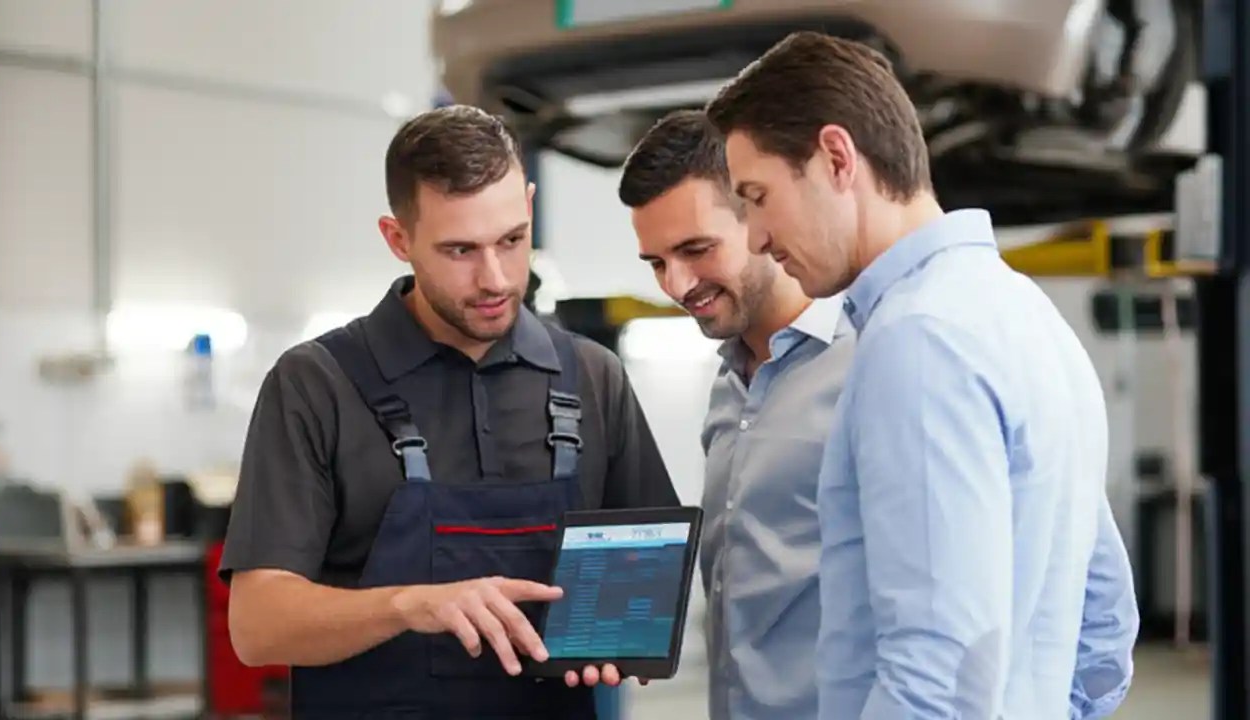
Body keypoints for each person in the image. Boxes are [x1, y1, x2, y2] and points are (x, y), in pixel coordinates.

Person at [705, 32, 1140, 719]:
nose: (755, 236)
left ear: (836, 157)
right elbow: (1104, 630)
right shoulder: (1025, 312)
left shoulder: (917, 341)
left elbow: (934, 674)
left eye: (757, 196)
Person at [220, 104, 679, 719]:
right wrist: (409, 605)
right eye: (460, 249)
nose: (495, 278)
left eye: (512, 240)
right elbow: (257, 627)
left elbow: (648, 574)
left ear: (530, 208)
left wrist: (622, 634)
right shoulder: (316, 386)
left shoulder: (594, 378)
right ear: (397, 238)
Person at [613, 109, 855, 719]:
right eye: (656, 262)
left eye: (696, 249)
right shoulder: (729, 387)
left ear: (759, 216)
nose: (677, 284)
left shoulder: (871, 365)